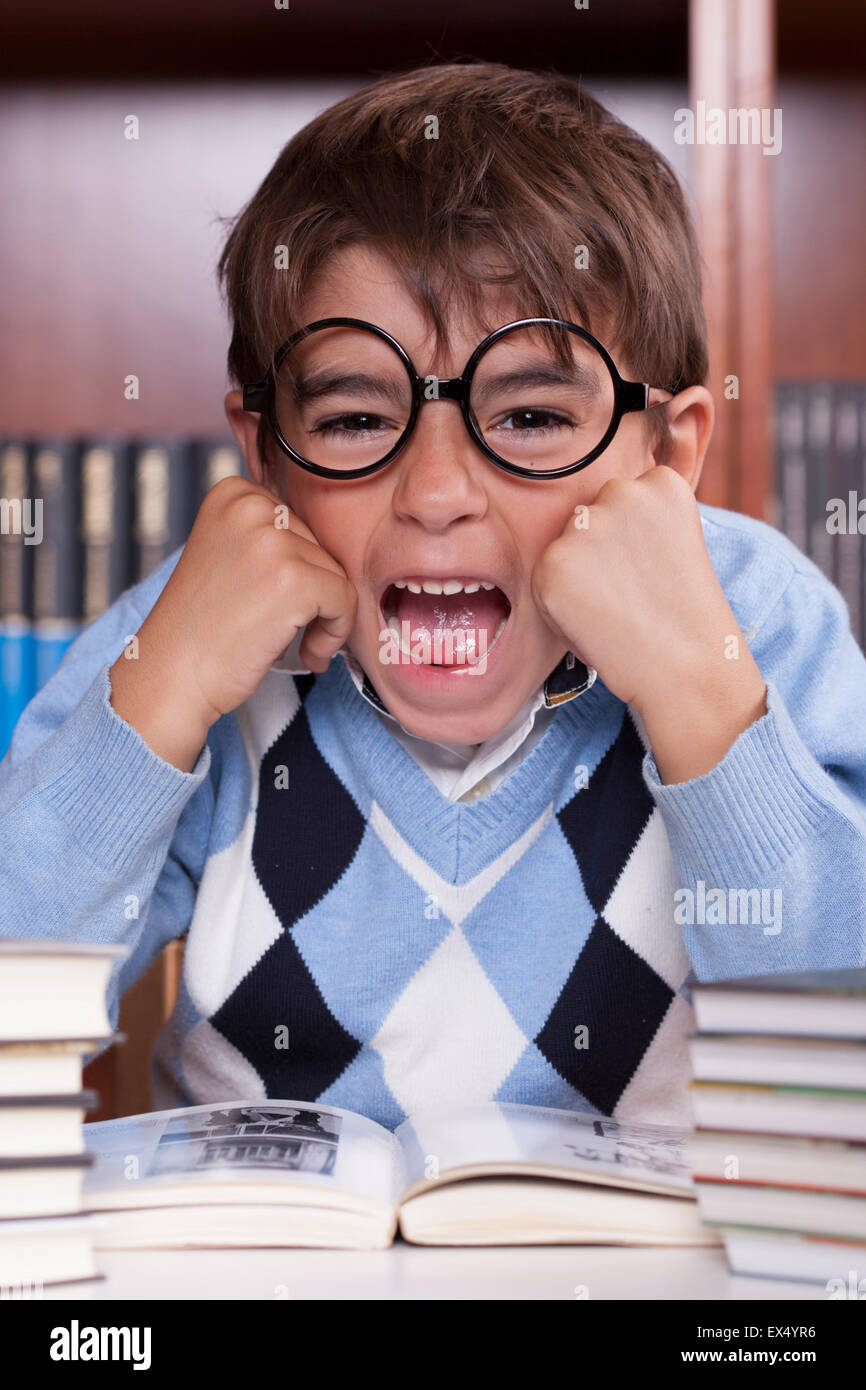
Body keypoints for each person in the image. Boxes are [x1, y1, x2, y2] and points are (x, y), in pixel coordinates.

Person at [2, 63, 864, 1130]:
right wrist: (159, 700)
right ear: (264, 457)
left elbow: (841, 1059)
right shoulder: (183, 642)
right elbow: (9, 1008)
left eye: (534, 417)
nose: (440, 493)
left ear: (668, 458)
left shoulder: (751, 624)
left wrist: (696, 692)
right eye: (357, 420)